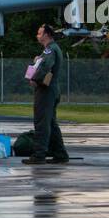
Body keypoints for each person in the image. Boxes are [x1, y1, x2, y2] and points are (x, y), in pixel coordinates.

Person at [24, 23, 69, 165]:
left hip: (46, 91)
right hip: (52, 90)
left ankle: (39, 155)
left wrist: (35, 79)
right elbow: (42, 64)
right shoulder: (51, 50)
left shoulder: (50, 50)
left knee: (42, 123)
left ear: (47, 35)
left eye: (39, 33)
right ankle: (60, 154)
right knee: (51, 123)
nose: (37, 35)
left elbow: (45, 67)